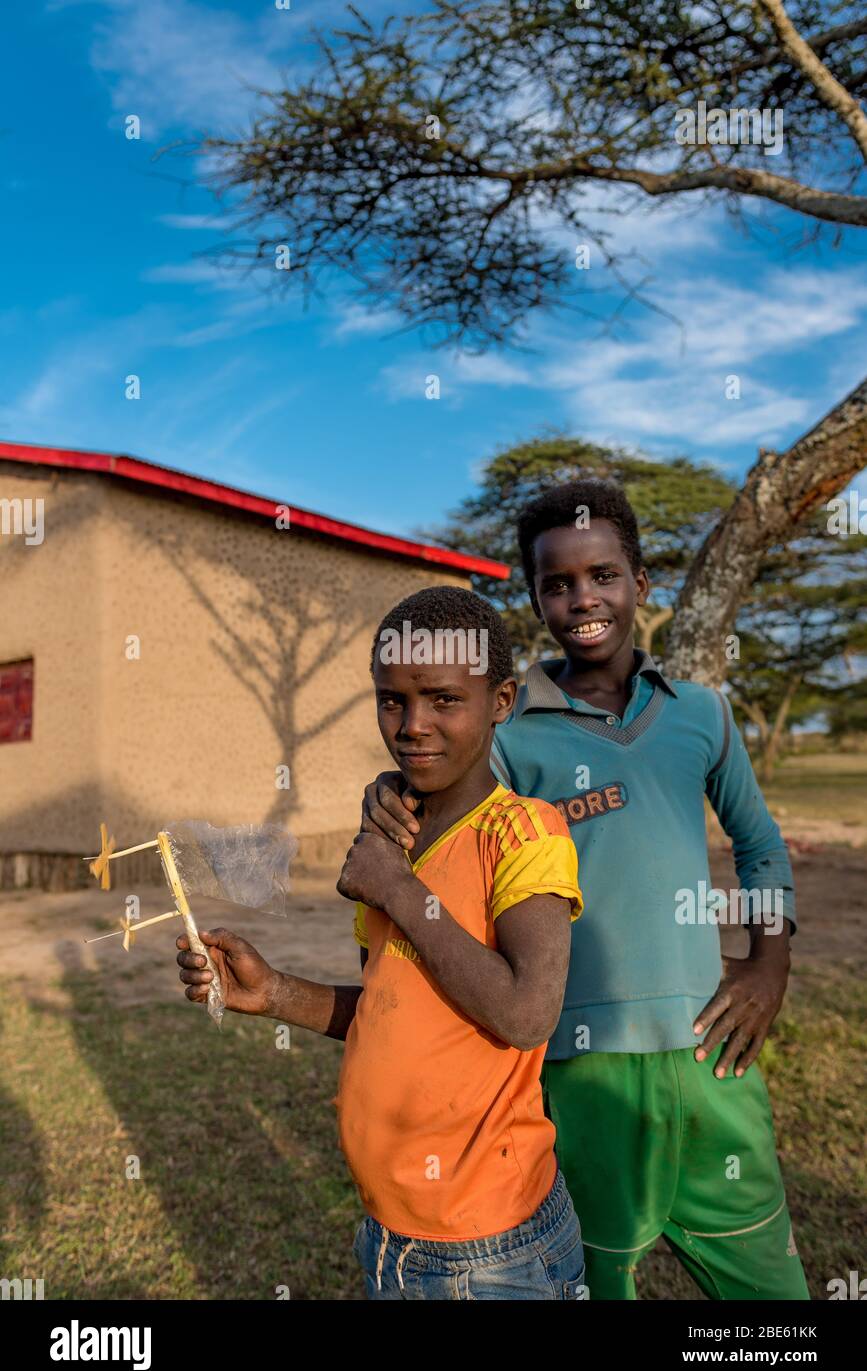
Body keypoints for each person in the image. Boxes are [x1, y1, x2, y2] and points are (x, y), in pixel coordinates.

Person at [363, 480, 810, 1301]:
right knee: (596, 1278)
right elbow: (442, 801)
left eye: (602, 575)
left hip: (712, 1053)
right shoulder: (509, 727)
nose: (582, 599)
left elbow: (757, 845)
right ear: (533, 596)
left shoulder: (701, 714)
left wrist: (766, 965)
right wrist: (386, 790)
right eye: (556, 583)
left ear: (641, 583)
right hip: (575, 1070)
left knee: (768, 1289)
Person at [177, 585, 585, 1300]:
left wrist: (395, 888)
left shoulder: (522, 833)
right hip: (392, 1234)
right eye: (391, 700)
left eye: (442, 700)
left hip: (490, 1249)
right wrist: (274, 992)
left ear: (501, 701)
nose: (412, 725)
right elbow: (397, 1010)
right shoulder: (390, 836)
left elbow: (526, 1014)